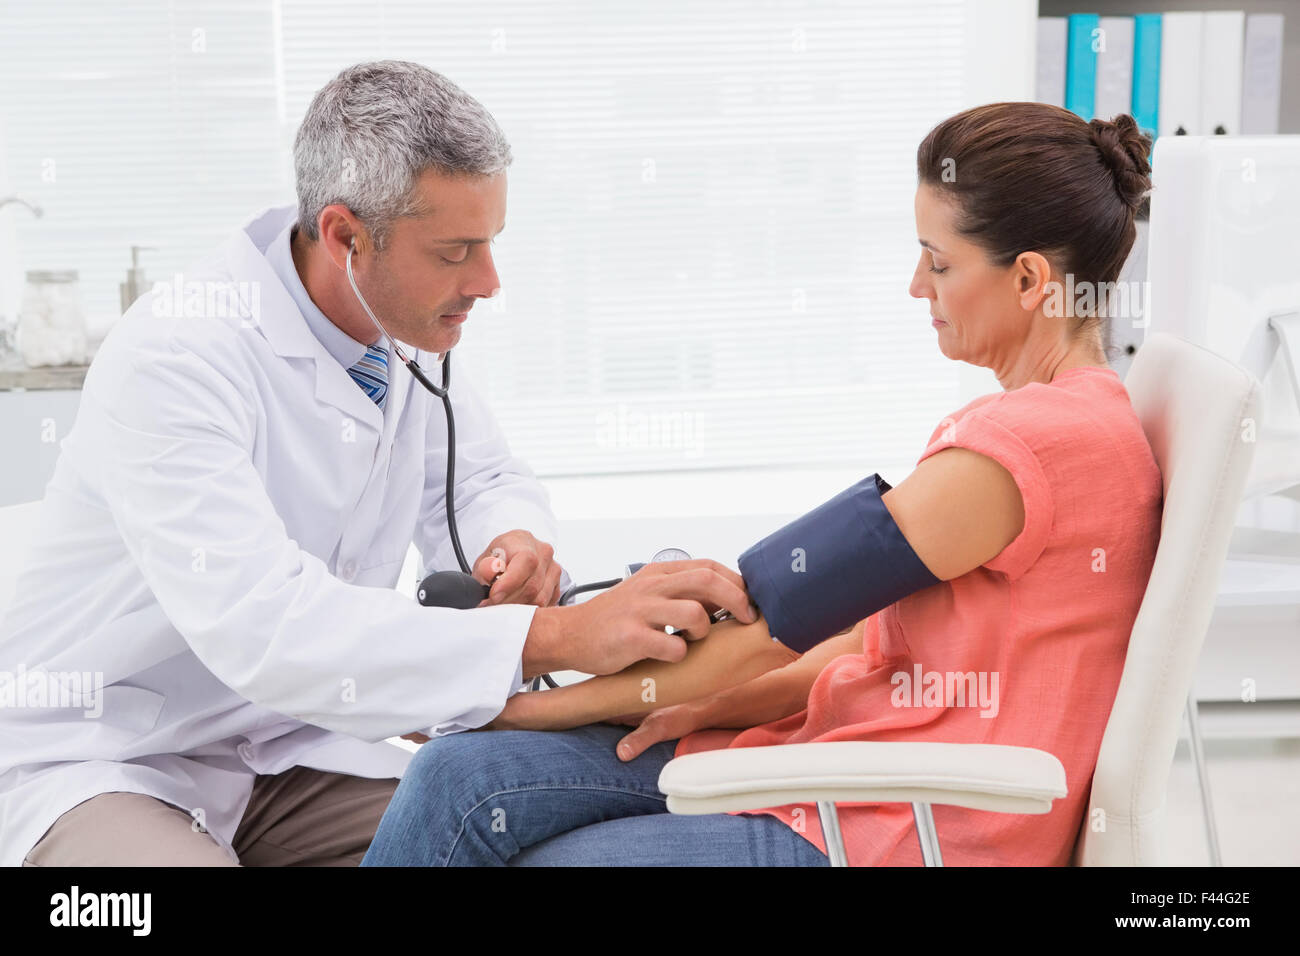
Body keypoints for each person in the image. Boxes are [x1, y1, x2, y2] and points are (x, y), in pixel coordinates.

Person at [359, 102, 1166, 867]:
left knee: (509, 823)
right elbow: (861, 642)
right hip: (846, 759)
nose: (918, 286)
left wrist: (516, 708)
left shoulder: (1021, 452)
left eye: (939, 261)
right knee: (459, 777)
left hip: (907, 826)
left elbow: (777, 614)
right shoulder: (1061, 423)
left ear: (1029, 281)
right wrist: (703, 704)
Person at [0, 61, 754, 867]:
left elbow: (479, 479)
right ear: (345, 236)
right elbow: (270, 627)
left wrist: (514, 543)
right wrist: (560, 634)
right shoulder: (176, 357)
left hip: (293, 752)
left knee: (497, 841)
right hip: (114, 755)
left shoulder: (401, 330)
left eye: (491, 243)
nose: (488, 282)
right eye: (457, 251)